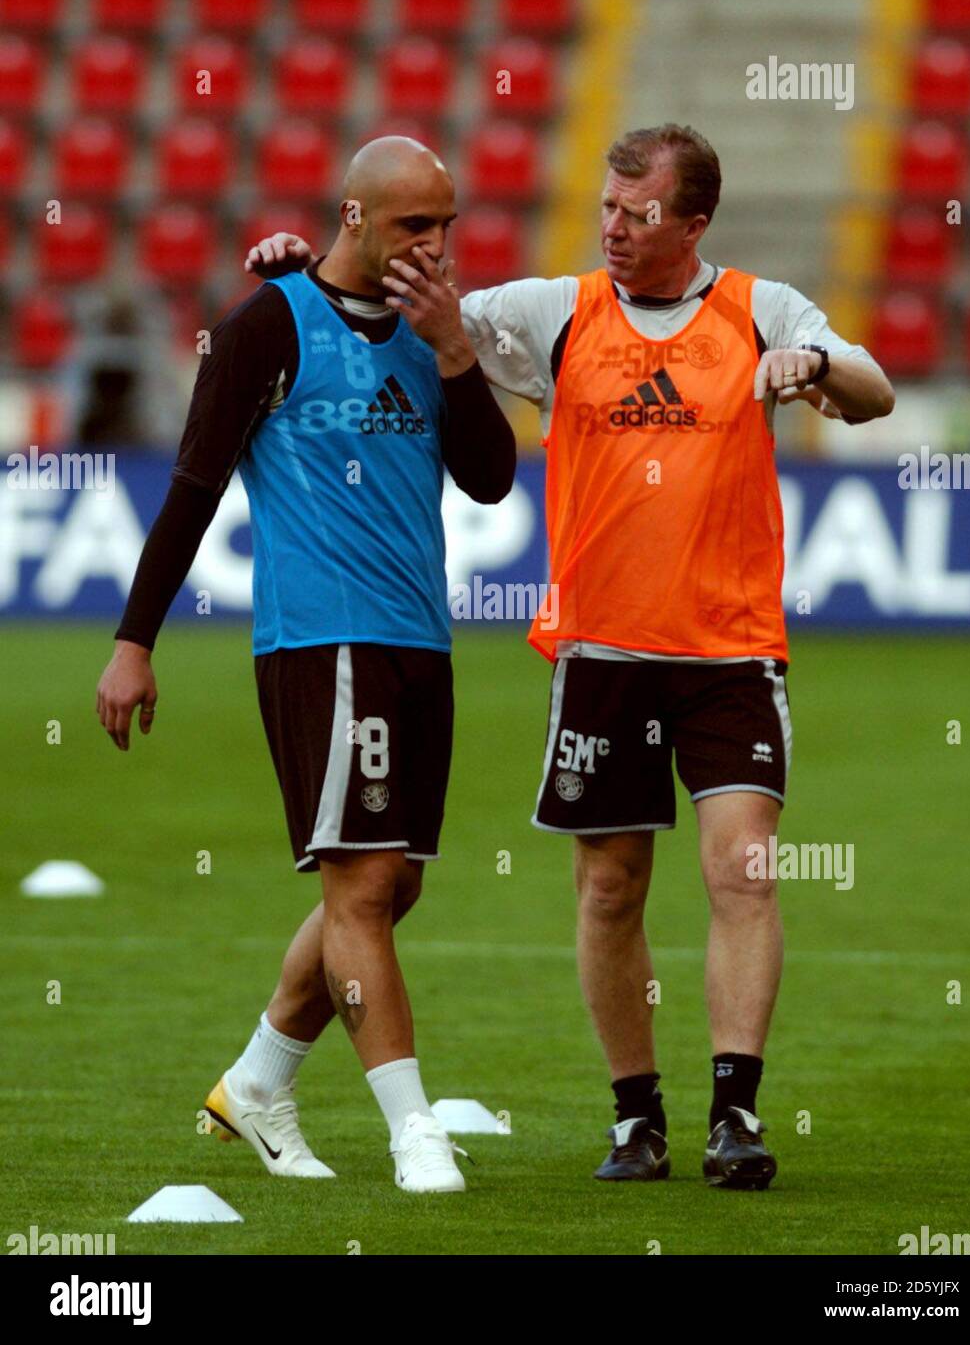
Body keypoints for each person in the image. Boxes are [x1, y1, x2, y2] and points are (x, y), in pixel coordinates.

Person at [245, 121, 895, 1189]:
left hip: (732, 650)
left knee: (741, 867)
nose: (615, 230)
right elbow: (396, 307)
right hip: (600, 653)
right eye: (606, 208)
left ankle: (735, 1109)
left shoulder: (760, 310)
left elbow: (870, 391)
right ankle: (635, 1116)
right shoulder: (555, 312)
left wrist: (818, 362)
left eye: (639, 216)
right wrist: (298, 269)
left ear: (694, 224)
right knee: (608, 889)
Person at [97, 137, 516, 1193]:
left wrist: (455, 351)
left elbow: (490, 481)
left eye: (447, 226)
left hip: (421, 637)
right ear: (355, 218)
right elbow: (192, 482)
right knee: (363, 887)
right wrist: (134, 641)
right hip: (322, 638)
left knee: (390, 883)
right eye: (415, 225)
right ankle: (412, 1128)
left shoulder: (438, 334)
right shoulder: (267, 323)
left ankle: (257, 1078)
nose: (434, 245)